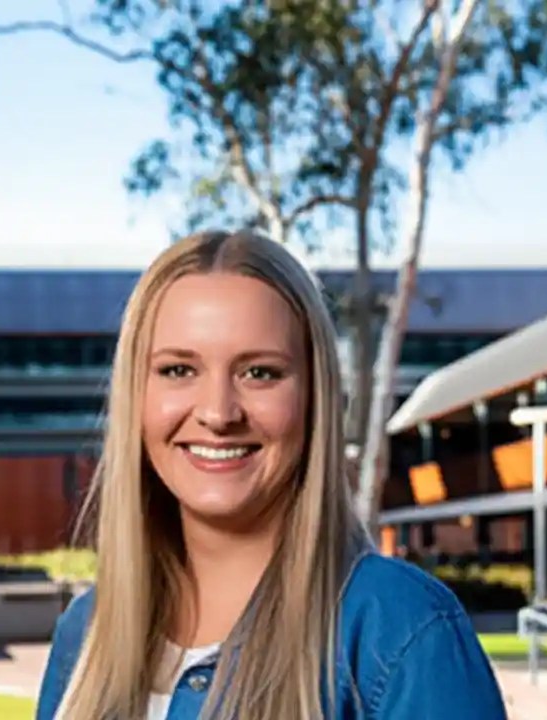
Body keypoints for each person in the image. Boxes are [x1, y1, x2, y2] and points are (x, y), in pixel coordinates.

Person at [35, 231, 506, 720]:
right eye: (178, 370)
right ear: (136, 396)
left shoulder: (403, 632)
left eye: (259, 372)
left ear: (314, 399)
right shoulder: (85, 635)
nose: (218, 413)